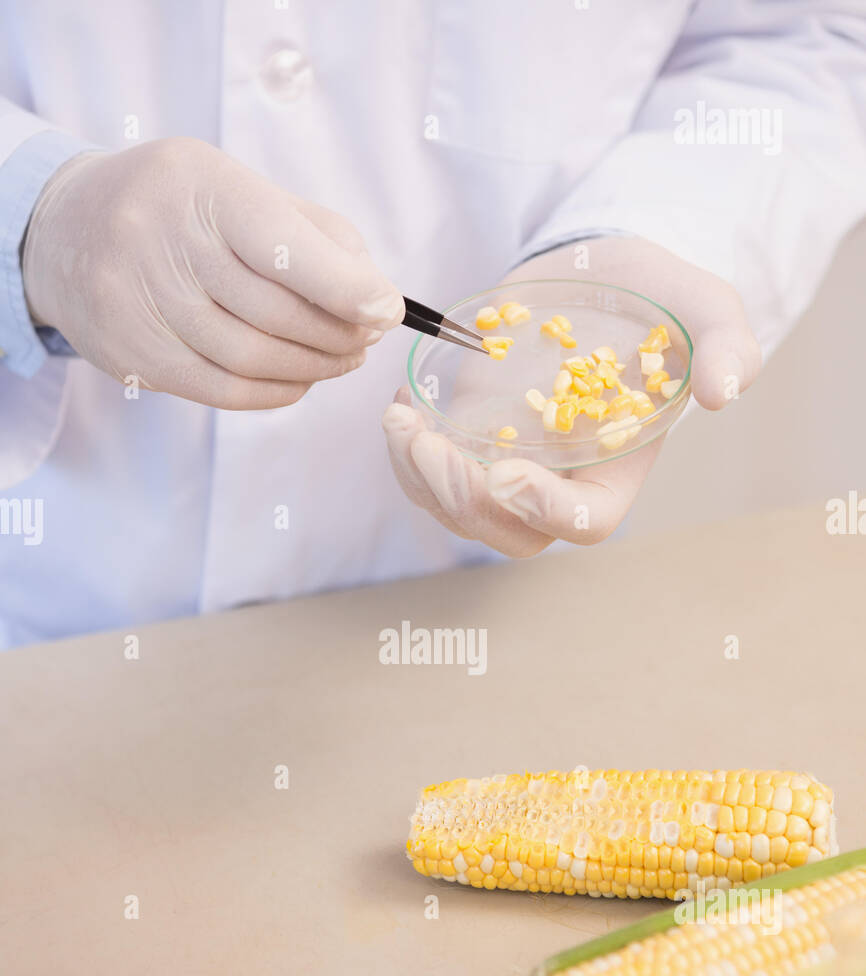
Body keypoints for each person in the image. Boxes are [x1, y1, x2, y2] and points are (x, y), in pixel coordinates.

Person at [1, 1, 863, 648]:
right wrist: (37, 212)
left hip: (494, 623)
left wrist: (647, 239)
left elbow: (809, 37)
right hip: (49, 607)